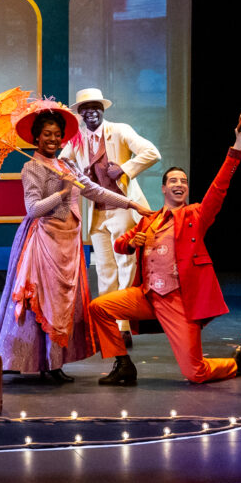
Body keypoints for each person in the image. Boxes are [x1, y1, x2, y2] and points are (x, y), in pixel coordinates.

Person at [88, 118, 241, 386]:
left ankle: (236, 363)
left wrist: (237, 146)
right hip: (147, 296)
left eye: (183, 181)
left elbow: (219, 188)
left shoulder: (195, 215)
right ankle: (123, 364)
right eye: (173, 181)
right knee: (99, 307)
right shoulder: (149, 220)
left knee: (195, 373)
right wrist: (131, 243)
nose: (179, 184)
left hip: (179, 302)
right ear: (163, 188)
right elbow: (120, 244)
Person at [0, 101, 146, 382]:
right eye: (46, 134)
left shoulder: (67, 164)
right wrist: (62, 192)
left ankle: (55, 362)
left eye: (56, 134)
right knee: (45, 302)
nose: (52, 139)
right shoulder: (31, 168)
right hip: (44, 240)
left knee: (63, 305)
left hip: (70, 243)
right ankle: (42, 363)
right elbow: (33, 209)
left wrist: (130, 203)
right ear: (36, 137)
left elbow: (96, 192)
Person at [59, 87, 161, 337]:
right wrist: (73, 171)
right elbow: (60, 164)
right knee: (105, 269)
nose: (90, 112)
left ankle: (124, 325)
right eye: (85, 108)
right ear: (80, 113)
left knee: (126, 265)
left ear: (102, 109)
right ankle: (109, 324)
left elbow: (152, 152)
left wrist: (125, 169)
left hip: (123, 208)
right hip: (97, 212)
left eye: (95, 107)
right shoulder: (77, 140)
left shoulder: (120, 130)